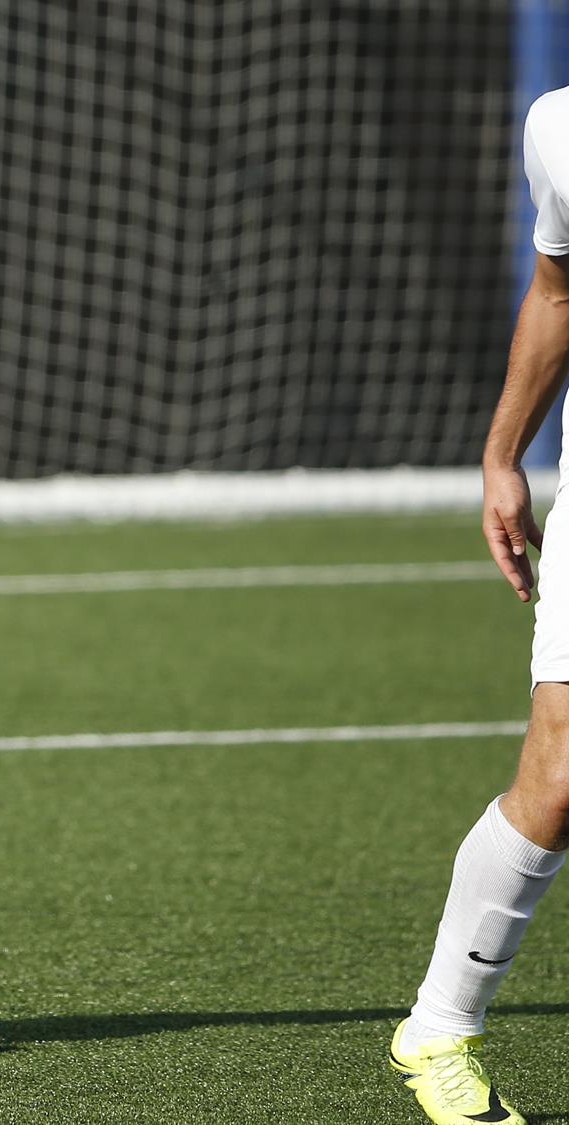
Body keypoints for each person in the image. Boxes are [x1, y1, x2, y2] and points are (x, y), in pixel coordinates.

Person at [390, 88, 569, 1125]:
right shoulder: (558, 127)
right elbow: (556, 290)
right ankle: (438, 1028)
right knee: (556, 775)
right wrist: (502, 453)